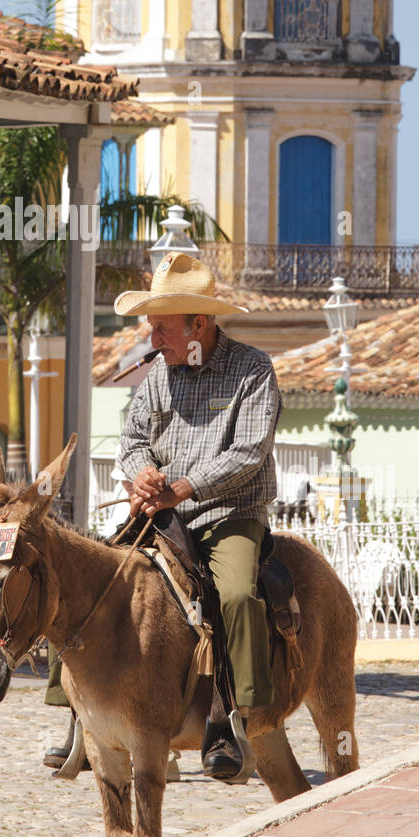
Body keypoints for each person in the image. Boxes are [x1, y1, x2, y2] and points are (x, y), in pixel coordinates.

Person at [114, 252, 282, 781]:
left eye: (160, 326)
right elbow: (133, 440)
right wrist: (142, 473)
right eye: (151, 326)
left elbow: (248, 452)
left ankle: (240, 716)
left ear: (198, 324)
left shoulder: (253, 371)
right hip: (163, 516)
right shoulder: (155, 379)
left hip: (231, 513)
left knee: (234, 593)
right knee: (94, 576)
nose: (152, 337)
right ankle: (79, 712)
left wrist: (184, 487)